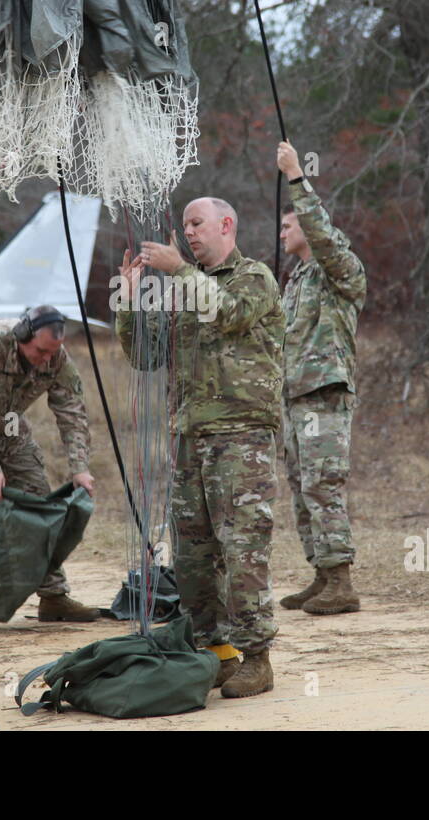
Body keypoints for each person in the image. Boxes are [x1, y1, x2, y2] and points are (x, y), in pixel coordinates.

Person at [114, 197, 284, 698]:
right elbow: (146, 357)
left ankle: (257, 657)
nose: (188, 233)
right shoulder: (181, 291)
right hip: (189, 437)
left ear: (226, 225)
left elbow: (228, 314)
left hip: (240, 436)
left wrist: (181, 271)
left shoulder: (253, 278)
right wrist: (128, 301)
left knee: (242, 549)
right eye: (184, 226)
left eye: (196, 224)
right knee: (193, 555)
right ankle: (216, 651)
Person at [0, 305, 99, 631]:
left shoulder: (56, 357)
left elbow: (72, 411)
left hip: (10, 428)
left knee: (40, 504)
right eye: (40, 351)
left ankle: (52, 596)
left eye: (52, 353)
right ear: (23, 336)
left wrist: (79, 467)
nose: (46, 360)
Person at [275, 141, 365, 614]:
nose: (283, 229)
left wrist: (296, 176)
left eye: (289, 223)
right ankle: (322, 573)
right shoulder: (298, 280)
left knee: (322, 484)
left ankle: (341, 580)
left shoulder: (339, 271)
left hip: (324, 396)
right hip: (295, 399)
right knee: (301, 485)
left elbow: (324, 236)